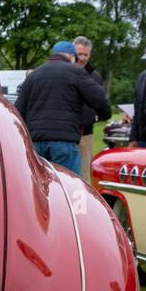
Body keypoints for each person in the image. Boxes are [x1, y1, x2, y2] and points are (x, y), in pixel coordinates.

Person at [15, 40, 111, 175]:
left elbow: (18, 109)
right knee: (69, 182)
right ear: (71, 56)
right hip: (64, 140)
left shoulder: (34, 75)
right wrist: (103, 115)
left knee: (41, 182)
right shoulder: (76, 72)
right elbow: (99, 98)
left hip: (36, 141)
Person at [73, 35, 106, 183]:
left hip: (85, 131)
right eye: (80, 54)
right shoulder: (64, 72)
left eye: (86, 55)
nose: (82, 58)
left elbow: (98, 102)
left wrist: (95, 117)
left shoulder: (94, 76)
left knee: (84, 172)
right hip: (65, 130)